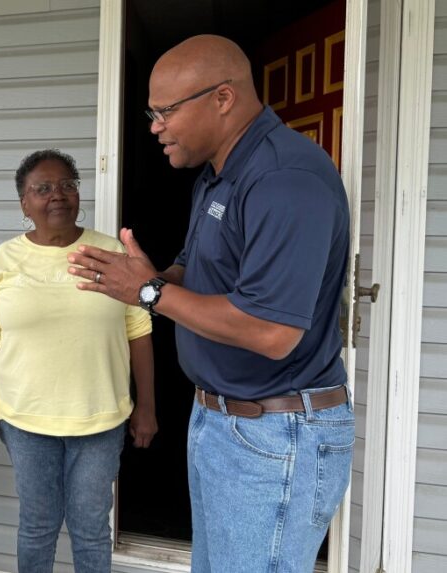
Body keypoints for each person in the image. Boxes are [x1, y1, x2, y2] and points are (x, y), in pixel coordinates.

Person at [67, 35, 353, 573]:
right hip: (223, 421)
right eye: (151, 112)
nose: (155, 127)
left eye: (165, 111)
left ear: (223, 98)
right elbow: (195, 273)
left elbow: (272, 332)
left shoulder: (284, 179)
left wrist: (149, 292)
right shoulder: (218, 175)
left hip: (275, 433)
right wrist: (143, 277)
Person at [0, 149, 156, 573]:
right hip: (26, 420)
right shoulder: (5, 259)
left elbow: (139, 333)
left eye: (67, 185)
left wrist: (146, 407)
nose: (58, 195)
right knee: (38, 525)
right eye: (43, 188)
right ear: (24, 203)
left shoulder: (109, 253)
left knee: (91, 526)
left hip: (100, 419)